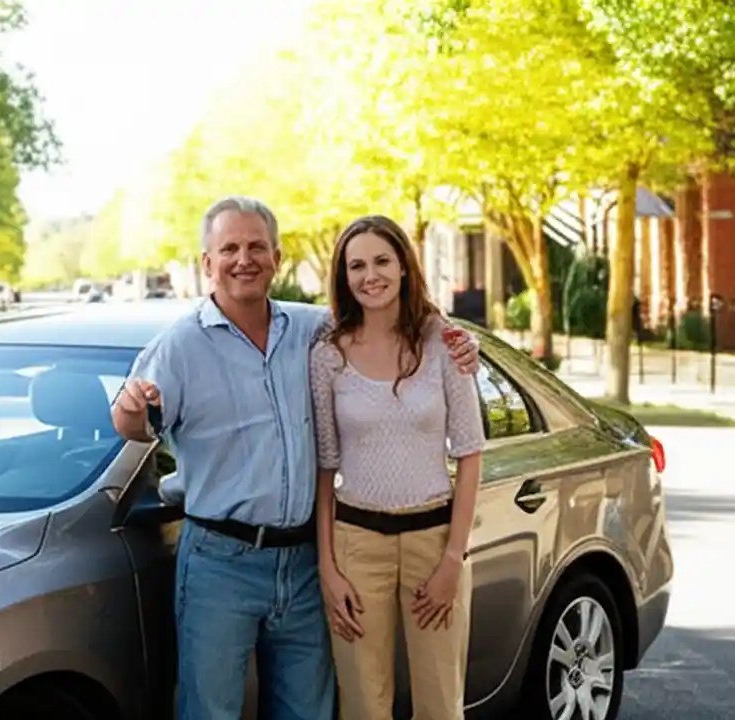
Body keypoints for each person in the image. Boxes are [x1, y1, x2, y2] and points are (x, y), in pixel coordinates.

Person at [110, 197, 481, 720]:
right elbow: (133, 421)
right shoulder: (179, 346)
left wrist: (465, 346)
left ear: (277, 258)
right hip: (222, 562)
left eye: (256, 246)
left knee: (309, 710)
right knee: (210, 709)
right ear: (207, 262)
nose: (244, 259)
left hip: (305, 560)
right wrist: (129, 410)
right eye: (230, 248)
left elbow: (391, 316)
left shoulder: (313, 331)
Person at [309, 215, 485, 720]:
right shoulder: (327, 357)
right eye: (357, 265)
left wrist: (454, 558)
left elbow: (470, 452)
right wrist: (328, 567)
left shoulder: (444, 344)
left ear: (405, 267)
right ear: (344, 277)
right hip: (356, 545)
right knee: (365, 706)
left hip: (435, 542)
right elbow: (325, 468)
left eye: (382, 261)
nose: (371, 275)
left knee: (440, 706)